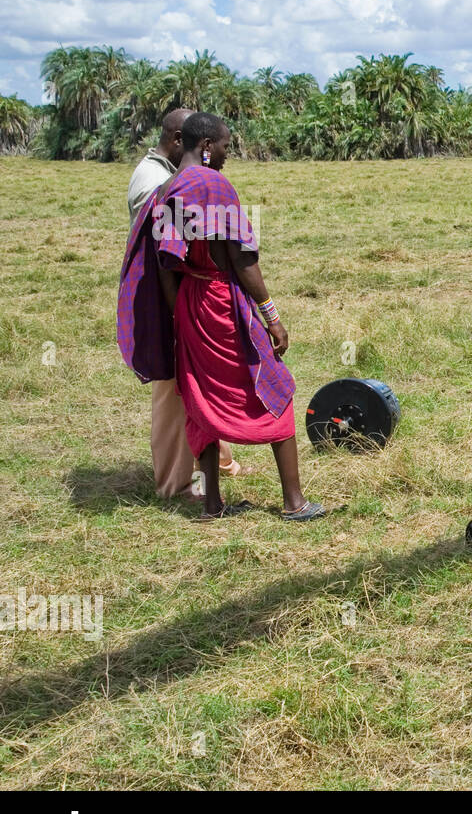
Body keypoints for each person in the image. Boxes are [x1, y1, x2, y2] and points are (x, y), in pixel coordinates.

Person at [118, 111, 323, 521]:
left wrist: (180, 312)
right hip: (222, 301)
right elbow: (241, 257)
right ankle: (294, 502)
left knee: (202, 399)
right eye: (227, 147)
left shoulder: (169, 187)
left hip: (191, 303)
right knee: (274, 387)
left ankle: (212, 504)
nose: (229, 155)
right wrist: (271, 315)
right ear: (207, 146)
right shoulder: (213, 184)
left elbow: (165, 263)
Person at [126, 107, 246, 498]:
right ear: (186, 141)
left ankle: (217, 462)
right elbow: (167, 250)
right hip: (167, 297)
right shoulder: (155, 181)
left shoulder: (178, 176)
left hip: (187, 294)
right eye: (218, 146)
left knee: (199, 380)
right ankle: (173, 484)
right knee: (172, 389)